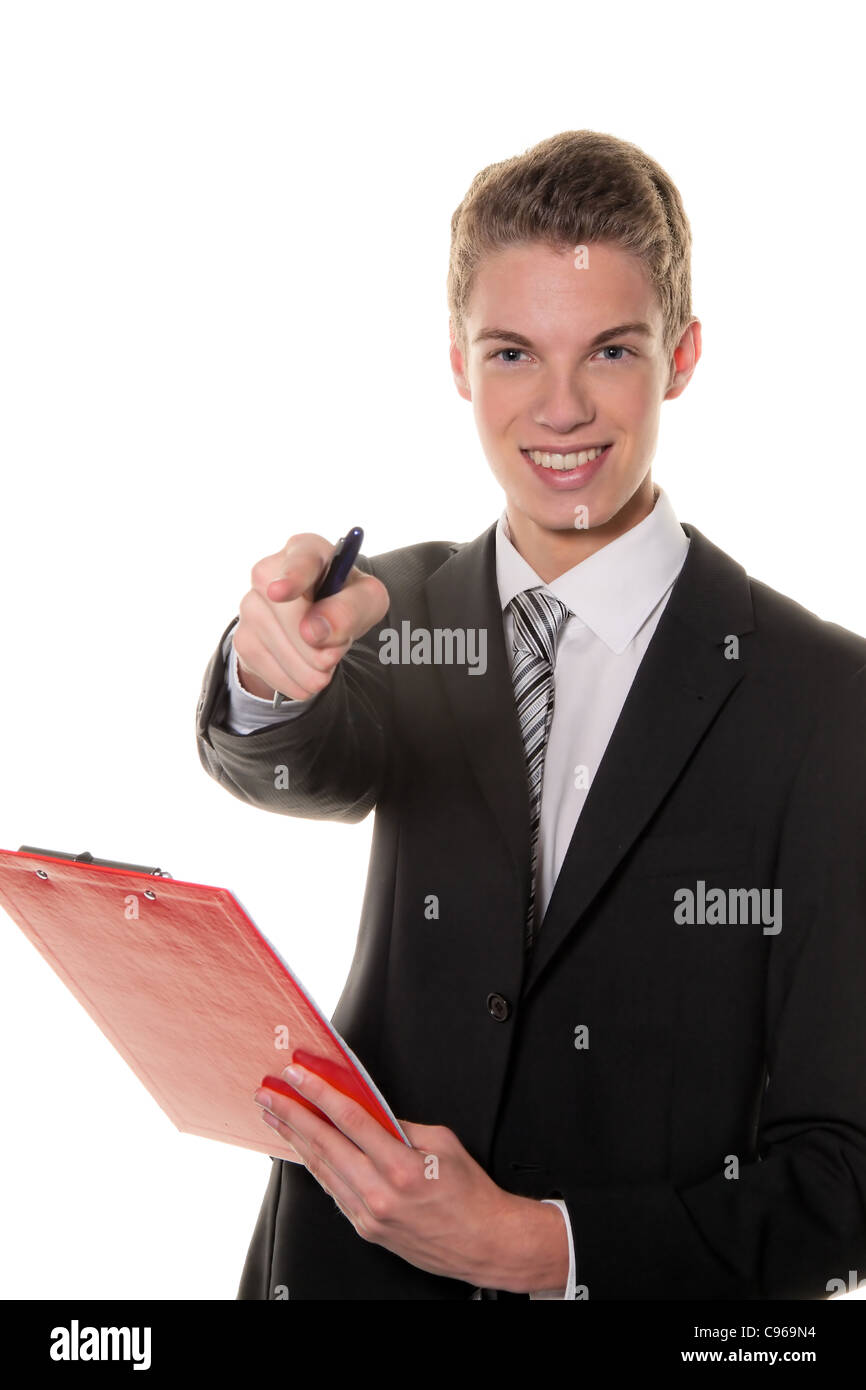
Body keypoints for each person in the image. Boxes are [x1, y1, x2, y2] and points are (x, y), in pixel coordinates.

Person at [195, 130, 866, 1300]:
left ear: (682, 356)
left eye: (609, 349)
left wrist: (533, 1247)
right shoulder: (389, 611)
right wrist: (269, 674)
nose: (558, 410)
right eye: (512, 352)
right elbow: (296, 760)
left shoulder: (824, 702)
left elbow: (841, 1181)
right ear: (458, 361)